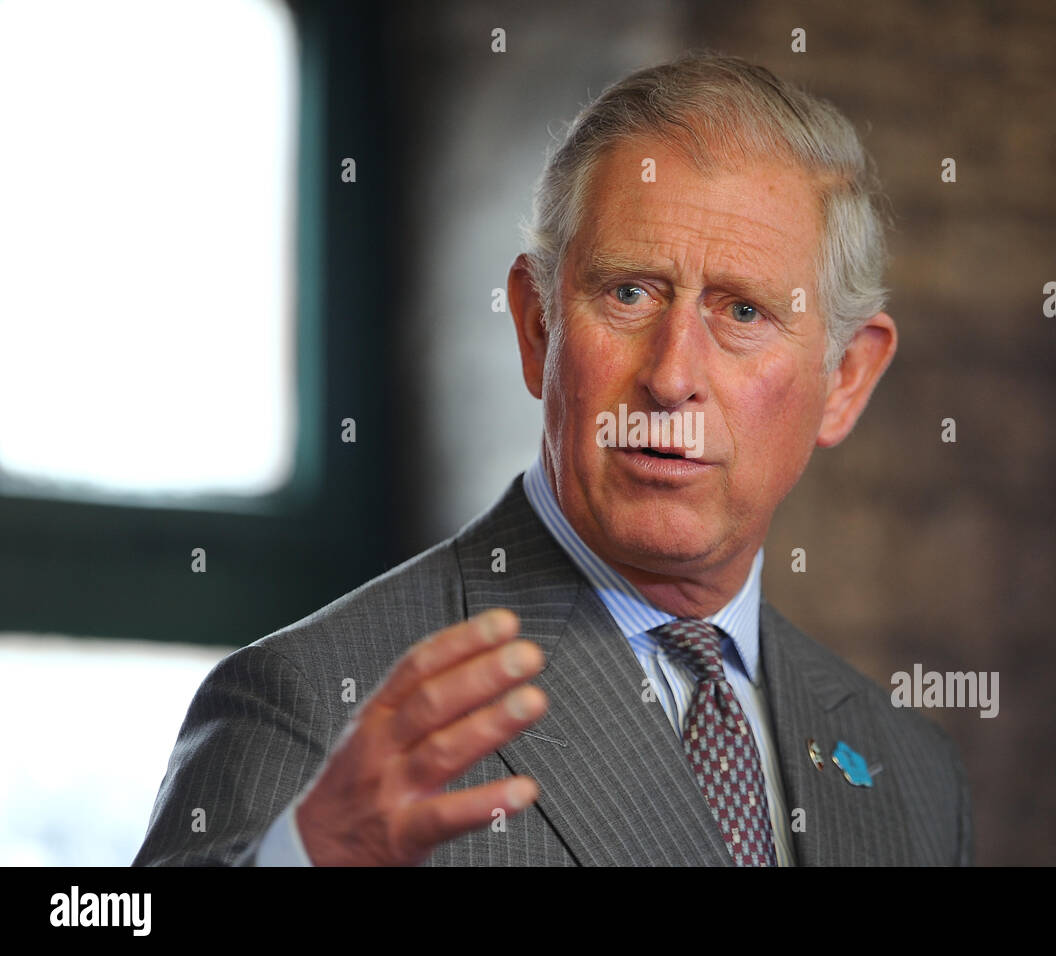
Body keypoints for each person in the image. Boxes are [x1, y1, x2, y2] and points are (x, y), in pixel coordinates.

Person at [134, 51, 972, 867]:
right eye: (629, 293)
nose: (673, 376)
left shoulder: (912, 775)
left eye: (744, 312)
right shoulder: (321, 705)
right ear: (538, 328)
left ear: (845, 380)